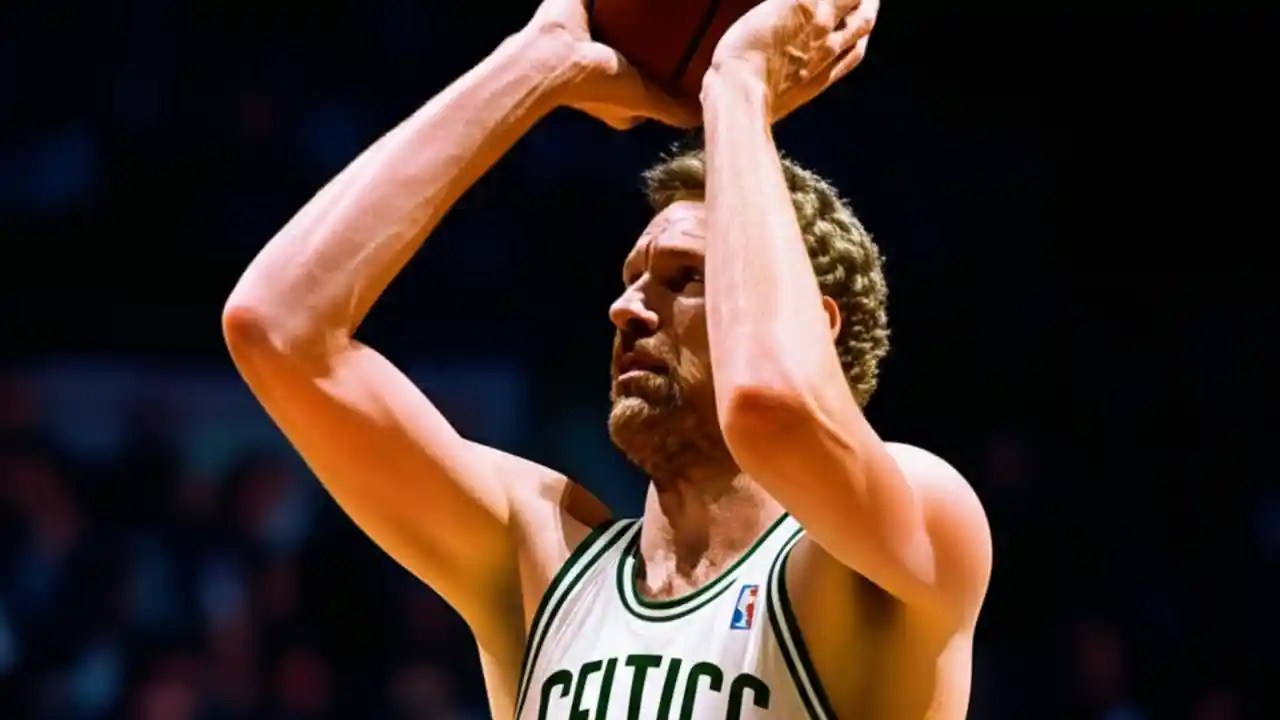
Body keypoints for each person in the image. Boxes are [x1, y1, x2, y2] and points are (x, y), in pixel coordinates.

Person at [222, 0, 994, 716]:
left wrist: (737, 87)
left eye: (685, 280)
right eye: (630, 281)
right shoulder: (544, 560)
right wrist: (538, 61)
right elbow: (279, 328)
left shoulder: (907, 530)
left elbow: (772, 407)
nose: (625, 309)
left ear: (817, 325)